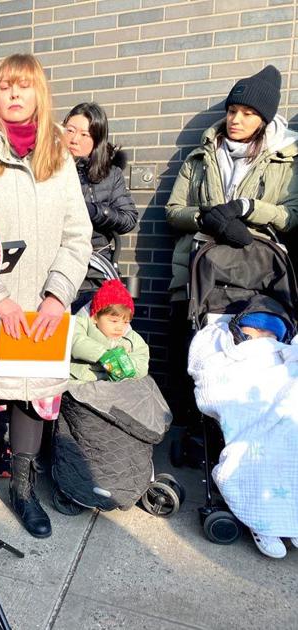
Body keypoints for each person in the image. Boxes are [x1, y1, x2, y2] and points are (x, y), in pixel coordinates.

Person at [0, 53, 92, 540]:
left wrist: (57, 296)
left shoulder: (59, 159)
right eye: (4, 86)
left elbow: (77, 236)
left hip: (43, 311)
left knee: (32, 399)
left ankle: (25, 491)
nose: (13, 94)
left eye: (23, 87)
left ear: (38, 95)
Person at [166, 65, 298, 427]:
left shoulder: (284, 159)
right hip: (200, 271)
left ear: (264, 120)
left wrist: (249, 210)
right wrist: (207, 217)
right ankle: (193, 439)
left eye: (247, 113)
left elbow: (292, 215)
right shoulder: (200, 157)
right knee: (196, 357)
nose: (236, 119)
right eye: (232, 111)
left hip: (253, 274)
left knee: (248, 360)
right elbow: (173, 210)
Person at [188, 298, 298, 559]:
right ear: (238, 334)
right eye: (251, 334)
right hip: (246, 394)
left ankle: (291, 518)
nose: (260, 339)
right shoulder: (225, 345)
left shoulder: (282, 350)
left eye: (268, 334)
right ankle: (264, 523)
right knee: (261, 442)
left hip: (280, 397)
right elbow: (212, 372)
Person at [63, 103, 137, 263]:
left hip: (94, 263)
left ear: (97, 140)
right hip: (54, 261)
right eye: (70, 130)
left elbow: (128, 219)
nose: (74, 139)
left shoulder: (110, 174)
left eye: (84, 134)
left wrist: (94, 211)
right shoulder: (46, 170)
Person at [70, 279, 149, 383]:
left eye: (126, 322)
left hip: (116, 386)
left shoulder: (131, 338)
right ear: (95, 317)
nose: (120, 327)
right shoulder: (82, 324)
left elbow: (142, 362)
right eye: (114, 321)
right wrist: (104, 354)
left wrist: (125, 363)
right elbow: (75, 341)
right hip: (82, 380)